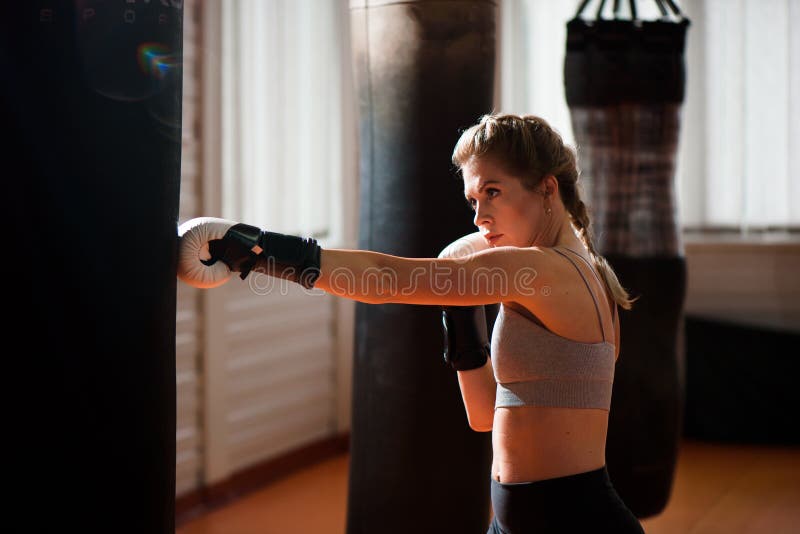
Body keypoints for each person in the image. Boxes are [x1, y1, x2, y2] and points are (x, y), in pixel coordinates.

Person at [177, 113, 645, 533]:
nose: (481, 216)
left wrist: (264, 252)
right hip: (513, 518)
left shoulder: (547, 271)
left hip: (575, 521)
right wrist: (458, 307)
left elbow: (385, 278)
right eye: (472, 200)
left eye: (493, 192)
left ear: (547, 187)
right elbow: (484, 414)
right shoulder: (569, 271)